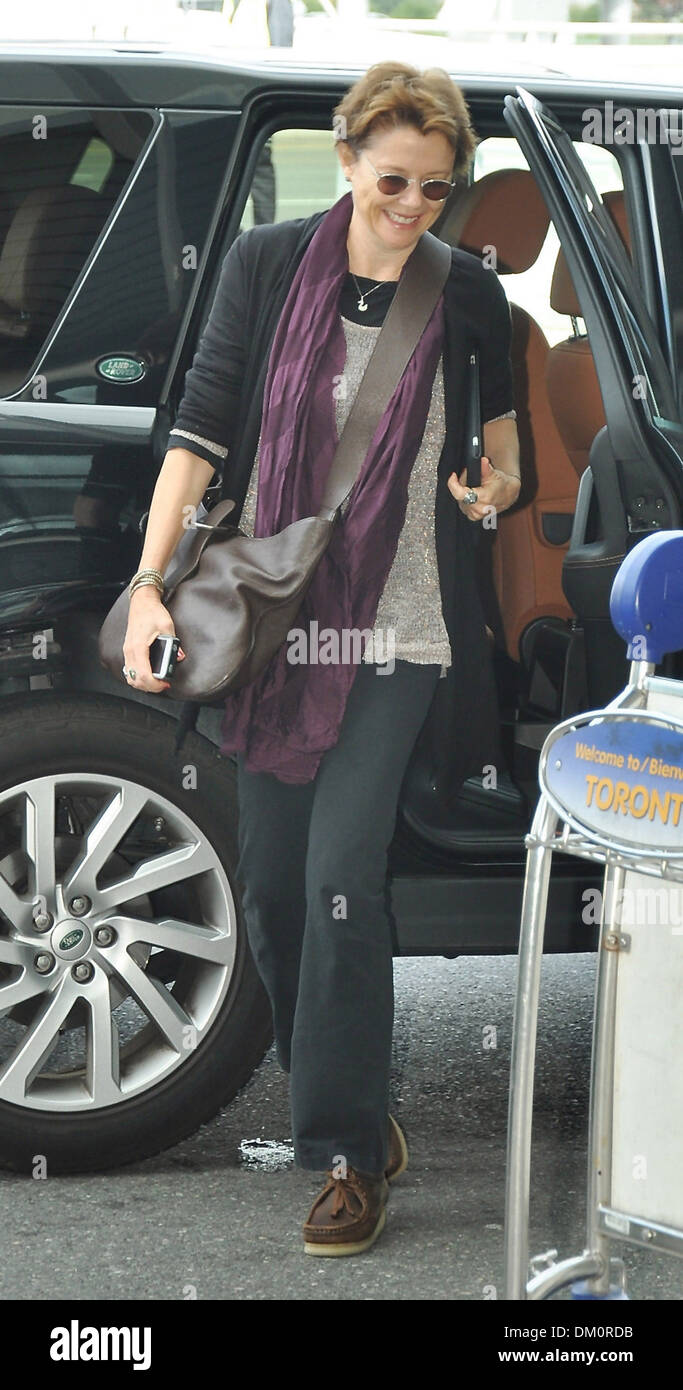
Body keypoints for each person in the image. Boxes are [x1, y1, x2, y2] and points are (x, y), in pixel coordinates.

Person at [121, 61, 521, 1257]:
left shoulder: (467, 298)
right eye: (391, 182)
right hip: (275, 625)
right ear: (345, 159)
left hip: (399, 627)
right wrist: (148, 584)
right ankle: (349, 1104)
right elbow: (196, 437)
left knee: (346, 879)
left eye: (435, 190)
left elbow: (504, 461)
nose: (411, 208)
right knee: (278, 890)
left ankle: (345, 1152)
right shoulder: (265, 264)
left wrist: (485, 490)